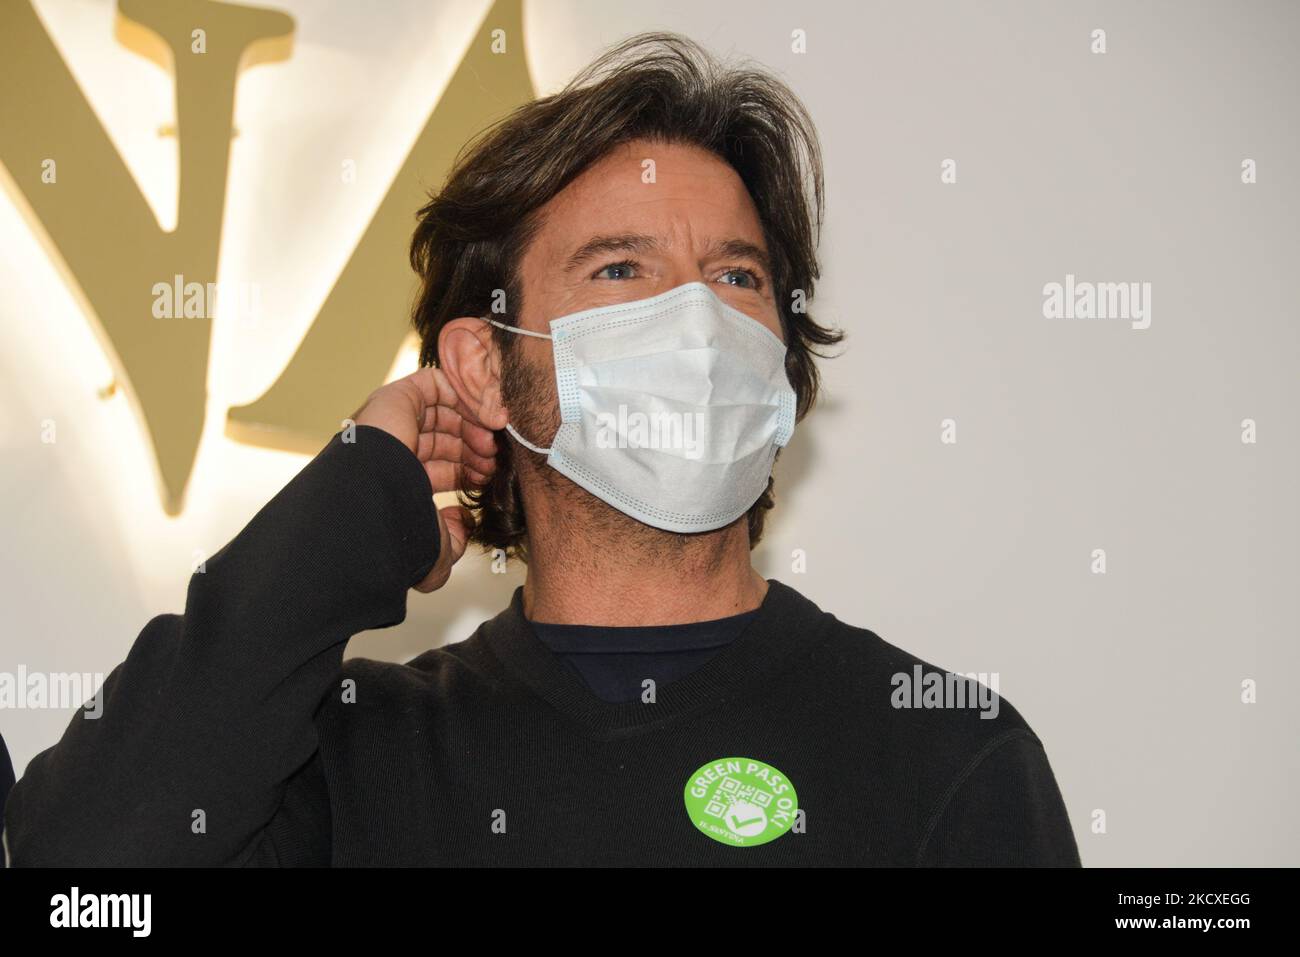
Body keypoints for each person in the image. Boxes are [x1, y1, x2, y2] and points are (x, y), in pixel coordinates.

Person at [2, 33, 1079, 866]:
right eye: (621, 270)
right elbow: (86, 871)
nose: (697, 322)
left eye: (739, 277)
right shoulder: (352, 757)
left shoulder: (939, 753)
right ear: (482, 363)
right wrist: (358, 503)